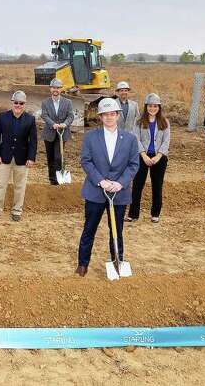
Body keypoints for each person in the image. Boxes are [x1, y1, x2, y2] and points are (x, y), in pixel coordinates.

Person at [75, 98, 140, 276]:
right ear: (100, 117)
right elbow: (86, 161)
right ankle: (82, 264)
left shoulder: (130, 139)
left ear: (118, 116)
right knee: (89, 228)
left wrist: (120, 183)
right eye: (105, 114)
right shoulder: (90, 137)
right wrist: (100, 181)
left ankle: (117, 261)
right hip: (95, 191)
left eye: (113, 114)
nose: (109, 117)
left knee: (116, 231)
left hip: (119, 193)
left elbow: (134, 165)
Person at [0, 90, 38, 221]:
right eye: (16, 102)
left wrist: (31, 158)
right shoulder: (3, 117)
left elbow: (33, 141)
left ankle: (16, 210)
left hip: (22, 159)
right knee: (0, 184)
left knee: (20, 186)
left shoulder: (30, 120)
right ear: (12, 103)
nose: (18, 105)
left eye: (21, 103)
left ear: (24, 104)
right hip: (4, 157)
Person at [127, 93, 170, 222]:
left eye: (155, 106)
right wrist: (143, 155)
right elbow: (136, 138)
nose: (153, 108)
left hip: (159, 157)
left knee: (157, 185)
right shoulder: (138, 121)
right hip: (142, 156)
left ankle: (155, 213)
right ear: (146, 107)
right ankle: (133, 214)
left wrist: (159, 156)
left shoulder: (164, 122)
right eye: (150, 106)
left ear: (159, 107)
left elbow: (166, 141)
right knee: (137, 185)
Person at [40, 78, 74, 185]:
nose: (56, 90)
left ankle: (60, 179)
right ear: (50, 89)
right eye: (54, 87)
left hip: (62, 134)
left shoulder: (68, 102)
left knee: (59, 157)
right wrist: (52, 124)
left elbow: (71, 116)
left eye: (58, 88)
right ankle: (52, 179)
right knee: (50, 157)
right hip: (49, 133)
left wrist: (65, 124)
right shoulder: (45, 102)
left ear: (61, 89)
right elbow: (44, 115)